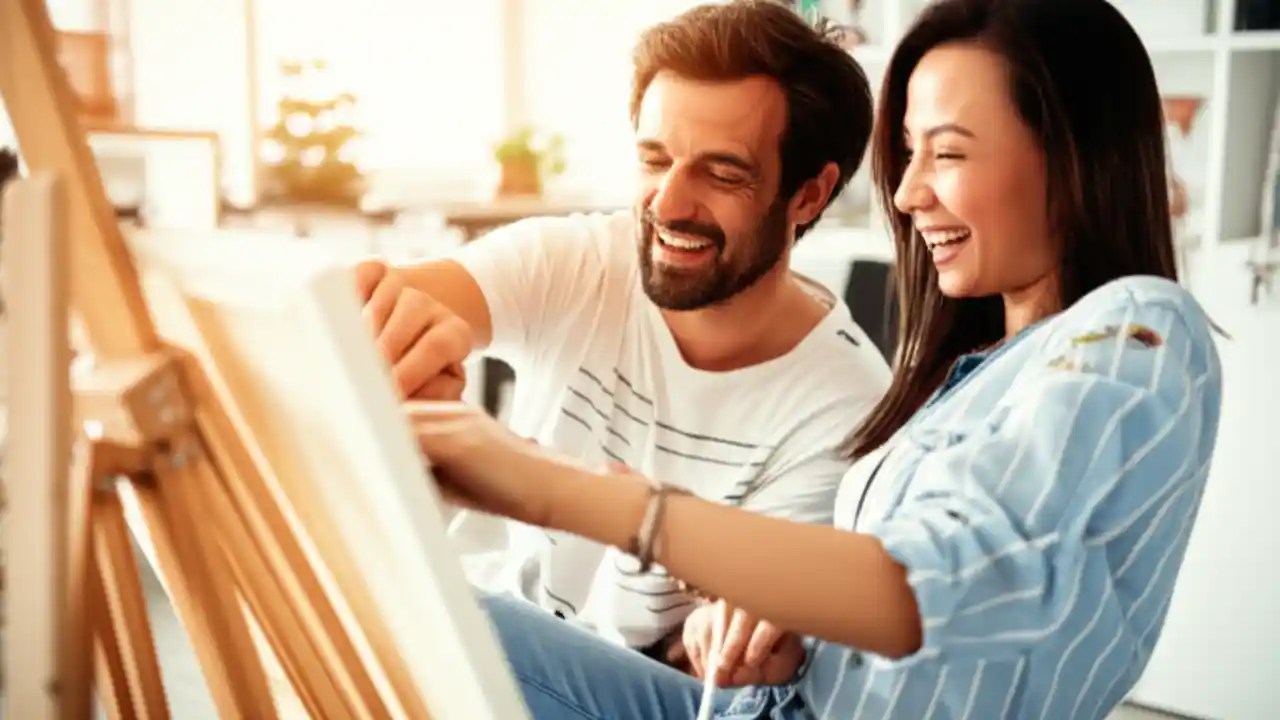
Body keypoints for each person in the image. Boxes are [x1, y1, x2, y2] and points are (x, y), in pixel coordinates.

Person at [406, 0, 1226, 717]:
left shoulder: (1136, 326)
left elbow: (941, 586)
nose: (906, 194)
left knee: (428, 614)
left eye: (947, 152)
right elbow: (897, 622)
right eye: (907, 153)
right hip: (748, 707)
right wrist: (788, 638)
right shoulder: (963, 383)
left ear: (1072, 157)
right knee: (410, 605)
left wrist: (552, 486)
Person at [355, 0, 891, 661]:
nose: (669, 203)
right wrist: (390, 340)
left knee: (445, 621)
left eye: (722, 173)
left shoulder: (846, 409)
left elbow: (708, 664)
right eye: (655, 159)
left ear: (808, 195)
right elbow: (367, 307)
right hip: (505, 643)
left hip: (643, 690)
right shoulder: (579, 260)